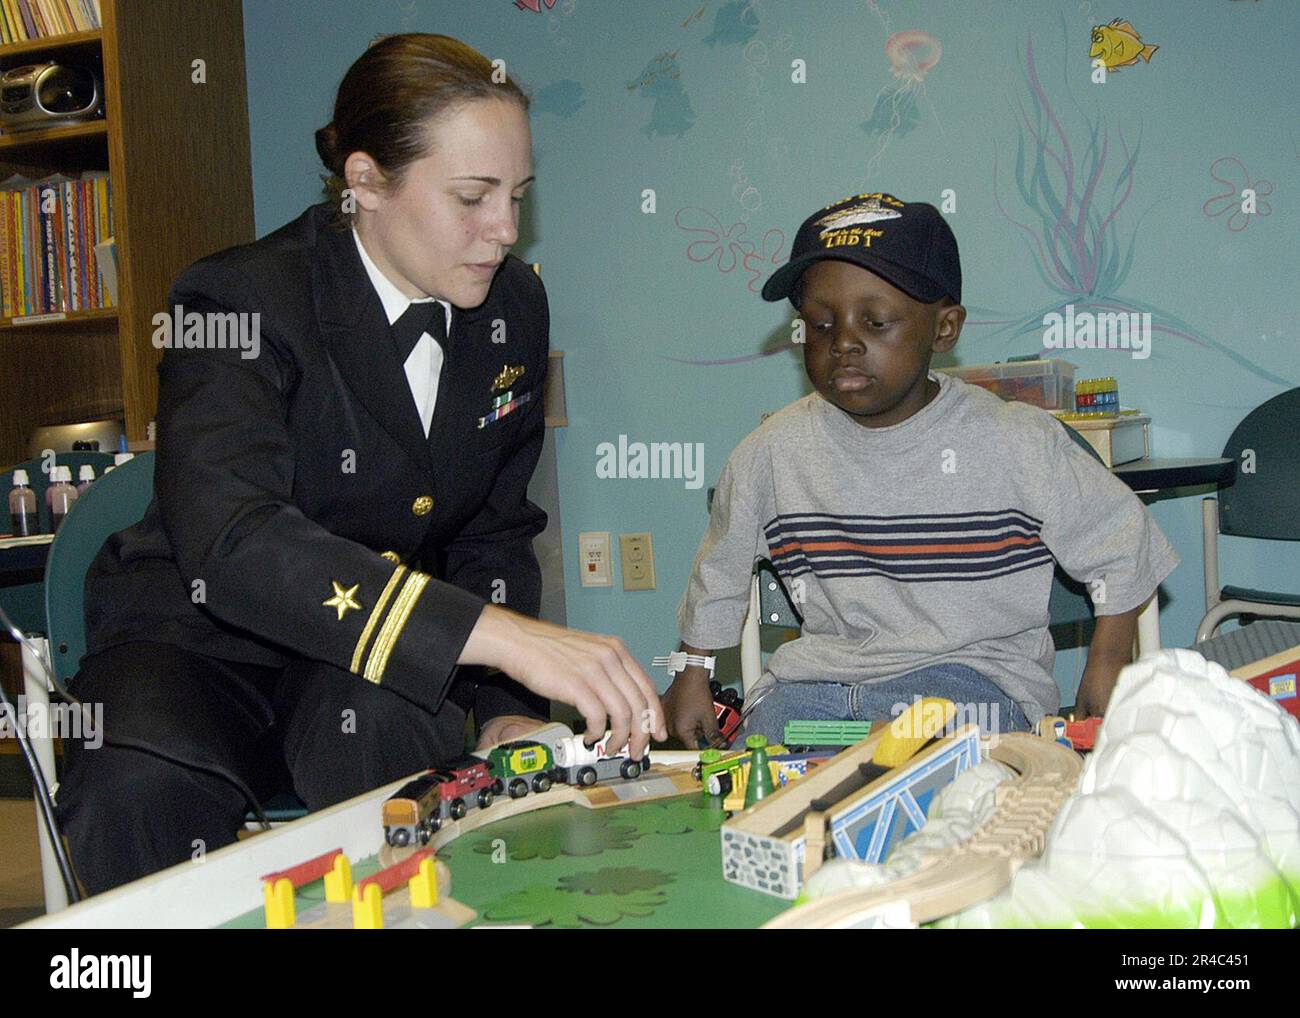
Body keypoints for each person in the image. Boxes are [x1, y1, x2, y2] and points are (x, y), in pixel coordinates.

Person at [57, 33, 664, 896]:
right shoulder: (235, 298)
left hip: (358, 660)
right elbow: (234, 537)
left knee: (407, 755)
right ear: (366, 180)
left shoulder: (511, 308)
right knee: (137, 779)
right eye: (472, 196)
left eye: (518, 195)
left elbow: (493, 532)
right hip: (195, 645)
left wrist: (506, 709)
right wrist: (495, 638)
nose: (505, 230)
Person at [661, 190, 1178, 747]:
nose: (844, 344)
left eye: (876, 322)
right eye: (820, 325)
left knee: (928, 782)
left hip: (970, 685)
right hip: (814, 686)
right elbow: (720, 568)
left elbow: (1124, 545)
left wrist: (1106, 665)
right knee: (749, 774)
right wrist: (692, 671)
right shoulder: (772, 450)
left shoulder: (1016, 442)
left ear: (945, 328)